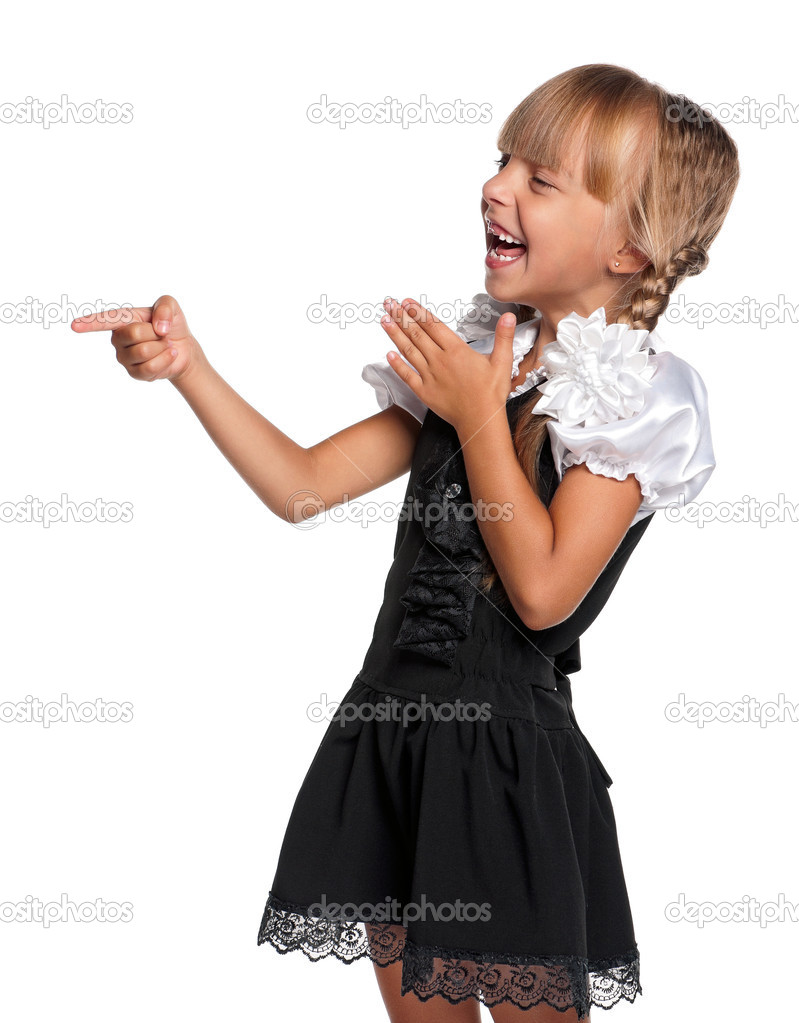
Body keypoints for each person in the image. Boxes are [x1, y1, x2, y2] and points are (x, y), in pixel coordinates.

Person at [72, 63, 739, 1022]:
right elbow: (302, 486)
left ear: (631, 245)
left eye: (540, 179)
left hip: (506, 761)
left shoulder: (636, 393)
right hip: (391, 734)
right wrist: (191, 370)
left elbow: (545, 593)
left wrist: (476, 418)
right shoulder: (471, 366)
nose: (495, 185)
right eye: (501, 159)